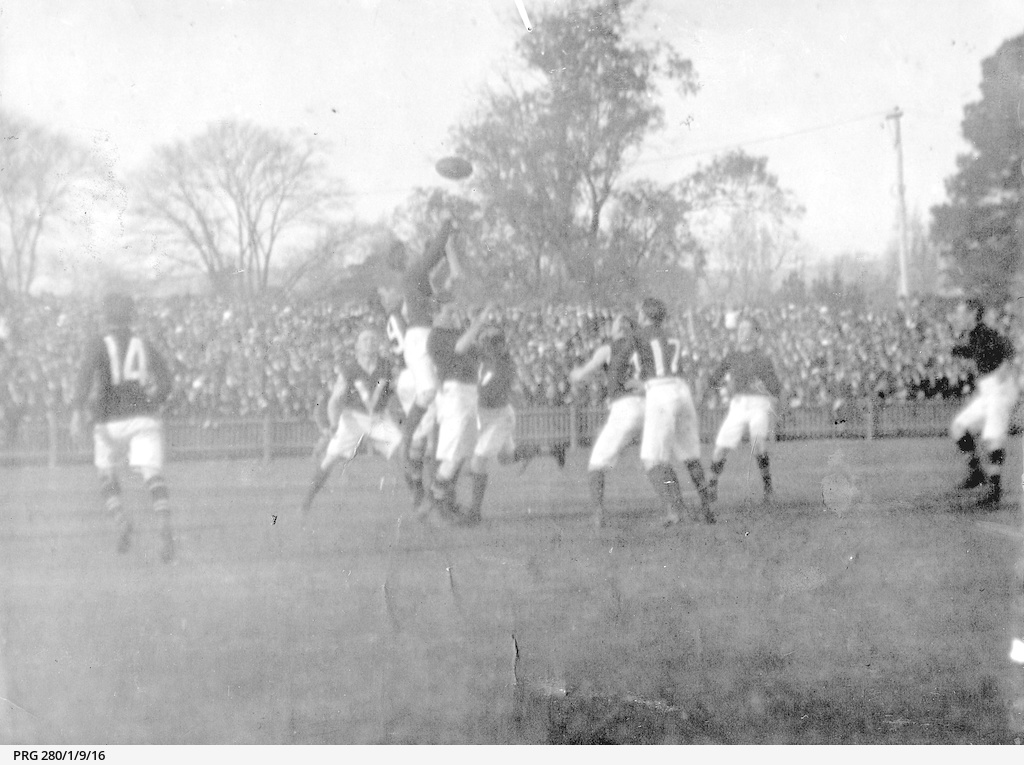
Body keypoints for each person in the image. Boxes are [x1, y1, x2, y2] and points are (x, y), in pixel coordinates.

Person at [69, 292, 176, 562]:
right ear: (131, 315)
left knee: (106, 472)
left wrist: (77, 410)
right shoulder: (144, 344)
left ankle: (121, 520)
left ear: (106, 315)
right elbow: (166, 380)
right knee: (152, 474)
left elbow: (85, 375)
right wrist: (153, 400)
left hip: (109, 420)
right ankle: (163, 521)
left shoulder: (99, 343)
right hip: (143, 416)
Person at [300, 328, 402, 514]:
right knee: (330, 459)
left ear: (378, 344)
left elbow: (397, 391)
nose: (369, 342)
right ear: (357, 346)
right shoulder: (350, 369)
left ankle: (421, 501)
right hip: (353, 418)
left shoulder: (387, 366)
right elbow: (335, 400)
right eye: (365, 340)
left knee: (402, 452)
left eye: (372, 339)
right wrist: (333, 425)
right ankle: (306, 502)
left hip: (378, 417)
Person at [630, 297, 713, 526]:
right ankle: (707, 508)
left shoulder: (638, 335)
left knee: (652, 460)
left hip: (660, 392)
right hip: (681, 390)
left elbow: (629, 359)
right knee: (690, 455)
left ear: (645, 314)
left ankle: (674, 511)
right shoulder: (672, 335)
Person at [568, 313, 644, 528]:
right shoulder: (643, 346)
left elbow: (584, 372)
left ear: (619, 329)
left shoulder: (609, 348)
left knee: (597, 463)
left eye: (614, 324)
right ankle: (677, 508)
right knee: (657, 459)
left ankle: (598, 513)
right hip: (649, 405)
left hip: (625, 407)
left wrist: (575, 374)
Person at [462, 326, 543, 525]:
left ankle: (474, 513)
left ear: (500, 346)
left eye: (490, 344)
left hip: (498, 417)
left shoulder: (504, 366)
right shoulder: (485, 359)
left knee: (478, 461)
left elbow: (490, 393)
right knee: (505, 458)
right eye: (485, 344)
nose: (485, 348)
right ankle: (531, 450)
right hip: (489, 416)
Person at [421, 302, 493, 524]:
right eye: (449, 312)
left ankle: (440, 500)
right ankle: (435, 500)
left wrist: (479, 330)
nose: (454, 316)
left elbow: (479, 353)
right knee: (453, 453)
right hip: (455, 394)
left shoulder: (456, 332)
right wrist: (477, 324)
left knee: (461, 452)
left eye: (455, 311)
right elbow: (460, 348)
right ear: (435, 313)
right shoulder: (437, 335)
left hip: (468, 392)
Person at [702, 316, 783, 505]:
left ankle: (768, 489)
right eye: (740, 328)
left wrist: (764, 387)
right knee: (720, 447)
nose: (741, 332)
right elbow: (714, 379)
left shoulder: (763, 358)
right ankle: (712, 487)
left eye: (746, 328)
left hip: (759, 404)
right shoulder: (732, 356)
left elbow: (775, 387)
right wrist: (720, 386)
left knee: (758, 443)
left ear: (755, 334)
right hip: (738, 404)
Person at [948, 298, 1018, 506]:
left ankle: (994, 489)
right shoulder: (974, 335)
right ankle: (976, 473)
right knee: (959, 427)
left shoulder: (986, 333)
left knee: (992, 437)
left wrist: (1005, 372)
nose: (958, 316)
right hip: (988, 390)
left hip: (1000, 388)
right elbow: (973, 352)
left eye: (961, 313)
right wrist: (955, 349)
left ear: (972, 314)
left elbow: (1009, 350)